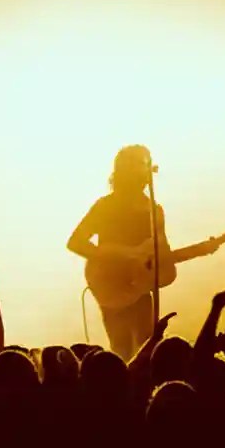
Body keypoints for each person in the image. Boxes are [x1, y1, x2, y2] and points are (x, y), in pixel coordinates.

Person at [67, 145, 169, 360]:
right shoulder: (105, 207)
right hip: (112, 286)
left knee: (148, 349)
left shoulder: (154, 210)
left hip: (140, 287)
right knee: (121, 349)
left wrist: (209, 246)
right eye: (140, 164)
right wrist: (112, 258)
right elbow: (76, 242)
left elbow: (163, 253)